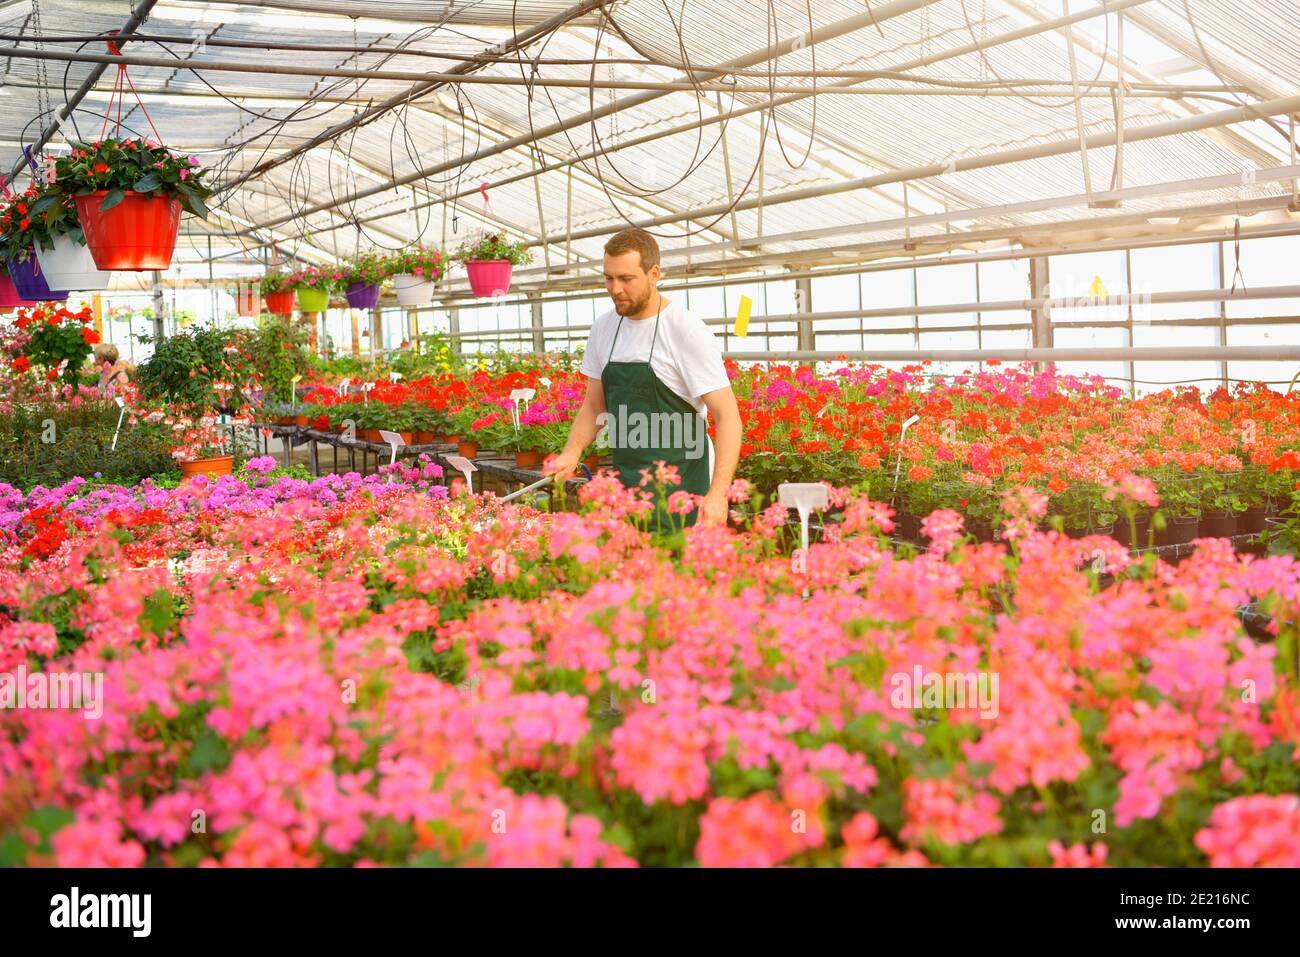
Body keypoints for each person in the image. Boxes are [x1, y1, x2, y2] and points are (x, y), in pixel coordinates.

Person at [549, 227, 741, 530]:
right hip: (629, 486)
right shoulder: (603, 329)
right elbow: (594, 405)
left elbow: (727, 415)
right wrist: (572, 451)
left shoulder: (685, 330)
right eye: (608, 278)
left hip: (686, 487)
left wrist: (719, 494)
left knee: (679, 573)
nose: (615, 289)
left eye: (626, 279)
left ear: (654, 274)